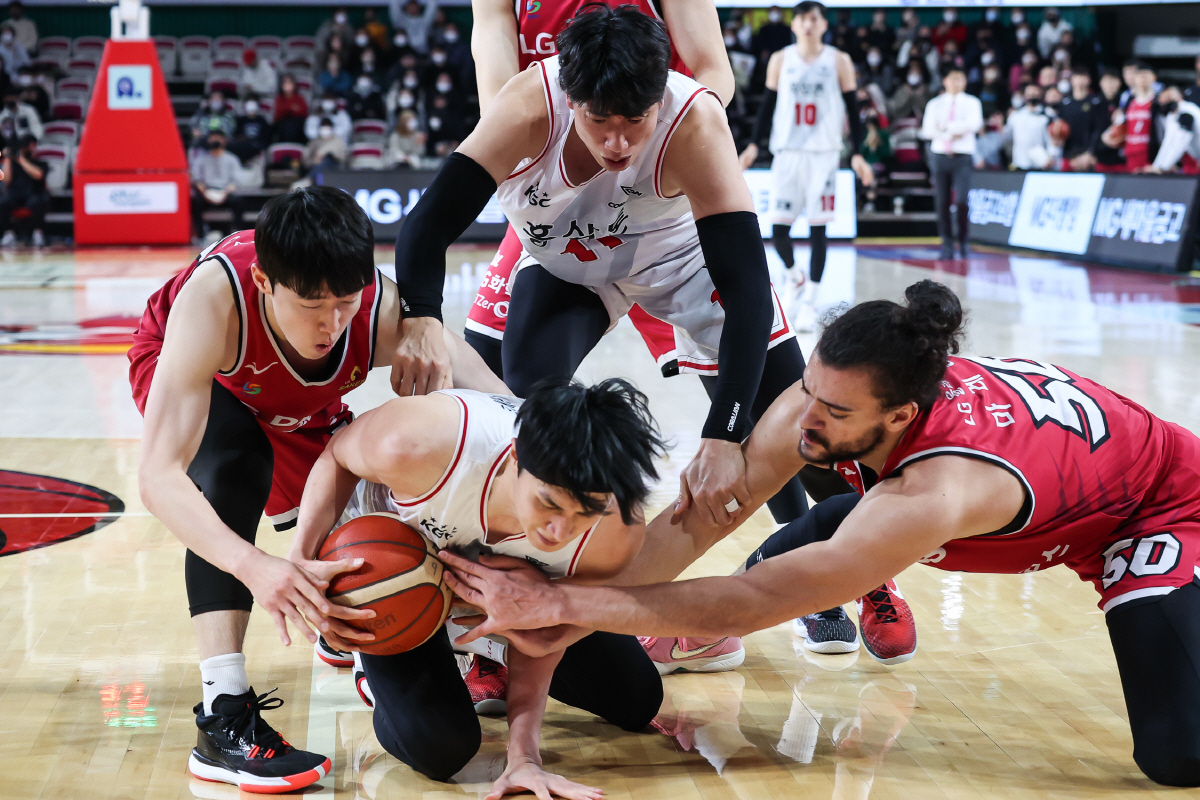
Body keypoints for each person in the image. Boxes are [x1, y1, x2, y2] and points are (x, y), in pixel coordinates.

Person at [442, 278, 1200, 789]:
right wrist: (568, 597)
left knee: (1174, 755)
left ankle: (849, 563)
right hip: (1058, 479)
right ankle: (847, 554)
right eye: (809, 390)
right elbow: (700, 519)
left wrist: (563, 610)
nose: (806, 418)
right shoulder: (830, 400)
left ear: (901, 417)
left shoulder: (937, 491)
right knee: (820, 501)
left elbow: (749, 602)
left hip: (1157, 509)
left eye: (835, 413)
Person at [393, 4, 911, 669]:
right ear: (570, 96)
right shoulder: (526, 106)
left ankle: (866, 575)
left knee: (805, 423)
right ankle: (505, 631)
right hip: (570, 265)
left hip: (682, 257)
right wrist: (420, 317)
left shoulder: (692, 117)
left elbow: (748, 292)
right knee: (528, 424)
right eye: (599, 122)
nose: (616, 143)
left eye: (633, 121)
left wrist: (723, 436)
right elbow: (426, 224)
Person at [128, 186, 504, 794]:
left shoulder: (382, 314)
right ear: (264, 281)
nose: (330, 325)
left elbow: (499, 406)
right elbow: (157, 477)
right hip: (197, 369)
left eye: (344, 304)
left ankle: (357, 641)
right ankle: (222, 714)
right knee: (232, 464)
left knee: (360, 525)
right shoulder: (215, 300)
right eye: (310, 305)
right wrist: (256, 567)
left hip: (299, 405)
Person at [292, 377, 667, 790]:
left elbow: (546, 637)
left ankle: (488, 648)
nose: (560, 531)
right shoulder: (416, 442)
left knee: (636, 699)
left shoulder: (613, 536)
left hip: (499, 595)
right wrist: (302, 562)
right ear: (515, 455)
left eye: (583, 514)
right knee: (441, 748)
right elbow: (337, 456)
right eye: (549, 503)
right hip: (390, 583)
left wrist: (524, 756)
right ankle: (373, 665)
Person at [463, 0, 733, 383]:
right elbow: (498, 103)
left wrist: (667, 142)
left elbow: (715, 71)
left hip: (658, 187)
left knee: (741, 377)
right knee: (488, 361)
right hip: (561, 187)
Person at [738, 2, 875, 333]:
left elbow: (853, 111)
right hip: (787, 152)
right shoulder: (780, 59)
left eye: (814, 18)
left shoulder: (838, 60)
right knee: (778, 230)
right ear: (794, 24)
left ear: (823, 24)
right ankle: (794, 277)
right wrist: (754, 145)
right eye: (802, 18)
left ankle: (811, 301)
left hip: (824, 154)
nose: (808, 24)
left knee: (818, 230)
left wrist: (857, 152)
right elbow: (767, 106)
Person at [921, 67, 982, 261]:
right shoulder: (935, 104)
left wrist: (947, 126)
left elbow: (974, 125)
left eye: (960, 79)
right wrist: (953, 131)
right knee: (942, 202)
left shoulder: (972, 102)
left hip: (963, 157)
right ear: (945, 81)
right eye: (952, 79)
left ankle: (963, 240)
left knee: (962, 201)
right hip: (940, 156)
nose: (956, 83)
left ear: (964, 81)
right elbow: (927, 130)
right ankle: (946, 244)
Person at [189, 129, 244, 240]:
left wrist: (225, 192)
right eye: (212, 137)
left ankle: (238, 234)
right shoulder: (201, 159)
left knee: (238, 201)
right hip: (207, 192)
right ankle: (200, 235)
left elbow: (236, 180)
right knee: (195, 202)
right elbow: (196, 179)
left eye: (218, 137)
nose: (215, 140)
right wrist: (205, 193)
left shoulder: (232, 159)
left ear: (224, 140)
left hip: (225, 192)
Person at [0, 132, 44, 247]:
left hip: (32, 193)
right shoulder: (11, 164)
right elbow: (6, 180)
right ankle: (8, 233)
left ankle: (37, 233)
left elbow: (38, 175)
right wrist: (8, 158)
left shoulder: (38, 162)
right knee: (3, 203)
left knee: (38, 203)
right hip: (14, 194)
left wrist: (21, 160)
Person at [1057, 70, 1107, 171]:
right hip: (1069, 156)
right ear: (1072, 81)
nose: (1080, 81)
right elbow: (1059, 129)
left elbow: (1099, 129)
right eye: (1077, 77)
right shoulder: (1064, 103)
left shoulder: (1096, 102)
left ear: (1089, 80)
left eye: (1083, 77)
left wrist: (1090, 152)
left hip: (1089, 157)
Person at [1148, 86, 1200, 174]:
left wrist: (1163, 167)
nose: (1166, 101)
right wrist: (1156, 166)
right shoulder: (1172, 116)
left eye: (1169, 97)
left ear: (1179, 96)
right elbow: (1167, 142)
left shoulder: (1187, 112)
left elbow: (1180, 142)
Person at [1006, 83, 1056, 171]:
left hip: (1040, 165)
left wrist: (1051, 156)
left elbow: (1052, 139)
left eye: (1035, 94)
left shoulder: (1048, 115)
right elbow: (1007, 137)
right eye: (1029, 94)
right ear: (1024, 96)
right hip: (1019, 163)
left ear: (1040, 95)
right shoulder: (1016, 115)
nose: (1032, 97)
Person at [1123, 63, 1160, 173]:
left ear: (1153, 78)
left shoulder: (1158, 103)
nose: (1143, 79)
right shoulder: (1128, 103)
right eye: (1140, 75)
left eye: (1146, 75)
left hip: (1151, 154)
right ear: (1134, 79)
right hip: (1131, 153)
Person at [228, 97, 272, 163]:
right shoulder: (241, 120)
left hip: (257, 145)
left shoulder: (262, 120)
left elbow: (266, 136)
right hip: (243, 145)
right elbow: (236, 135)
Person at [272, 74, 308, 143]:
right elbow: (278, 113)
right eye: (285, 82)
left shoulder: (299, 98)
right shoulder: (279, 98)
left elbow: (304, 113)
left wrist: (288, 109)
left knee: (294, 126)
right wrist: (292, 108)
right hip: (282, 123)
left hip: (297, 124)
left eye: (289, 82)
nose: (287, 84)